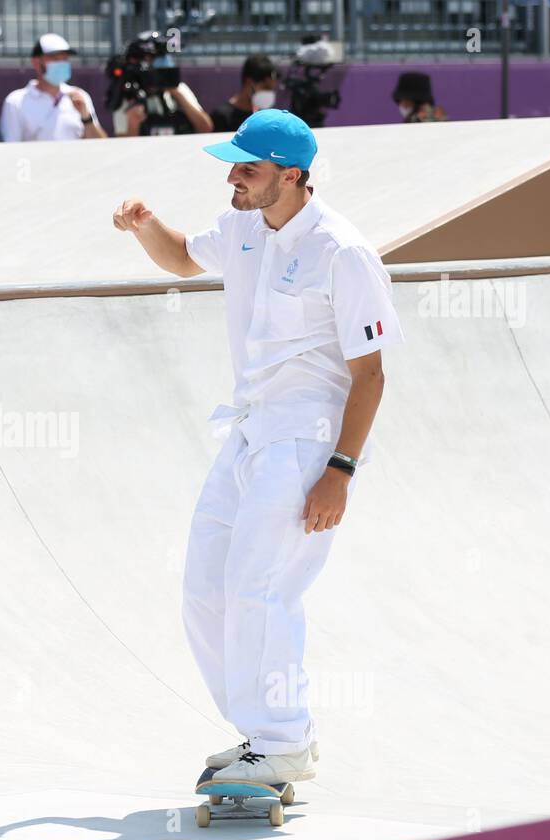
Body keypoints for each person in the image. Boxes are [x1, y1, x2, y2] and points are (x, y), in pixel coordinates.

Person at [112, 110, 404, 786]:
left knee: (260, 586)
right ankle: (265, 733)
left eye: (248, 168)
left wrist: (341, 469)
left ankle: (282, 738)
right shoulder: (245, 226)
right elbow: (184, 257)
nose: (233, 177)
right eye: (232, 165)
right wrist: (145, 226)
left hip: (306, 437)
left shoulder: (342, 251)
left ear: (292, 176)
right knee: (204, 590)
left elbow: (372, 374)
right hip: (247, 428)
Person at [0, 33, 106, 142]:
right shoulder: (15, 101)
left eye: (64, 59)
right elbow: (10, 147)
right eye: (55, 58)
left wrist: (86, 118)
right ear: (36, 62)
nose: (61, 63)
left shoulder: (80, 96)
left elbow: (100, 146)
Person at [113, 32, 211, 137]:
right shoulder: (128, 93)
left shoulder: (178, 88)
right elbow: (122, 143)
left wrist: (177, 95)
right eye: (154, 57)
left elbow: (205, 127)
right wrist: (133, 122)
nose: (163, 60)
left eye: (163, 55)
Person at [211, 55, 277, 132]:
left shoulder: (263, 118)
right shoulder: (221, 116)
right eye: (266, 88)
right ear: (248, 82)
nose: (269, 93)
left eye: (272, 89)